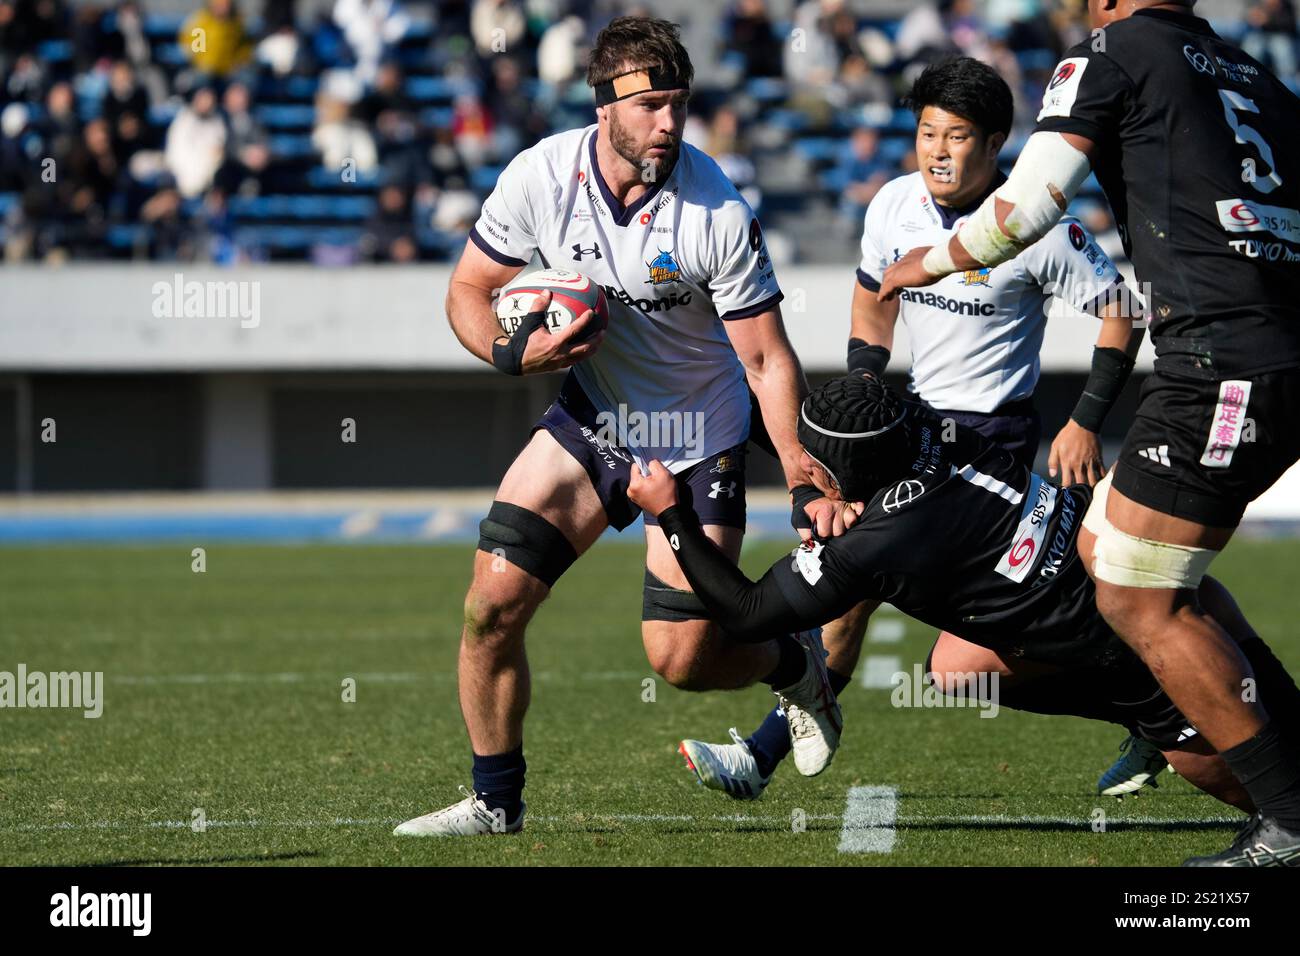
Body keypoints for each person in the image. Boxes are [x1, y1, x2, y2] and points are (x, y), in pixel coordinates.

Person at [394, 16, 848, 838]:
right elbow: (467, 289)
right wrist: (508, 353)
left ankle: (794, 663)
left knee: (681, 660)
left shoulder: (717, 210)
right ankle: (495, 802)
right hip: (595, 418)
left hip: (700, 435)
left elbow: (768, 361)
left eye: (679, 104)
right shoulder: (541, 176)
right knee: (489, 606)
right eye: (651, 107)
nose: (670, 124)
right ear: (603, 106)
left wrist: (800, 470)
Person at [878, 0, 1300, 865]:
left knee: (1134, 593)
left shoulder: (1109, 52)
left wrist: (932, 259)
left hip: (1220, 360)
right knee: (1112, 545)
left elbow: (1023, 209)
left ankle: (1289, 818)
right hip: (1258, 349)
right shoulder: (1255, 72)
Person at [685, 55, 1146, 804]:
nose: (936, 148)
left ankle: (1150, 702)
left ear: (996, 144)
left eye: (956, 135)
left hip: (989, 445)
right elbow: (873, 301)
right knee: (854, 576)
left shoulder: (1040, 230)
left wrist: (1085, 424)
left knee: (973, 646)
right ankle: (772, 748)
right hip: (913, 426)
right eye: (926, 131)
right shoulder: (893, 203)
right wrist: (866, 379)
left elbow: (1123, 313)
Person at [628, 374, 1300, 835]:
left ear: (840, 473)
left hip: (1117, 643)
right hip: (1120, 567)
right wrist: (835, 493)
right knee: (955, 669)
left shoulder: (876, 545)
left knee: (1273, 796)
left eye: (813, 462)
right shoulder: (926, 427)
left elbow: (745, 614)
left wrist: (672, 515)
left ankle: (1178, 735)